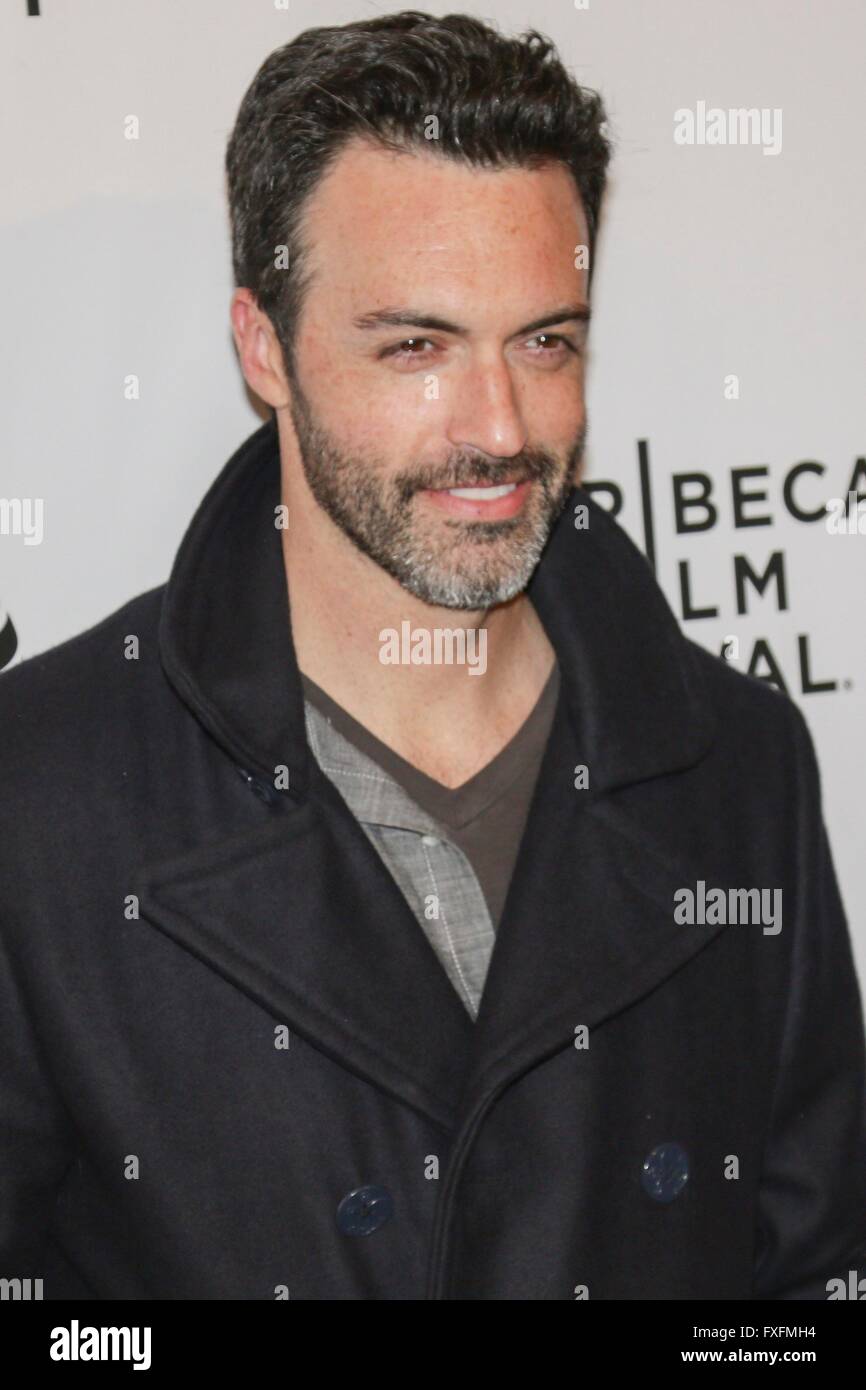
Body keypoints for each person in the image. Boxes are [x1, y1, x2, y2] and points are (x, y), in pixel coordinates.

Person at [1, 10, 864, 1301]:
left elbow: (809, 1277)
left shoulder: (737, 763)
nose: (500, 426)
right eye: (416, 345)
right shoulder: (40, 792)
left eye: (545, 340)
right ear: (262, 348)